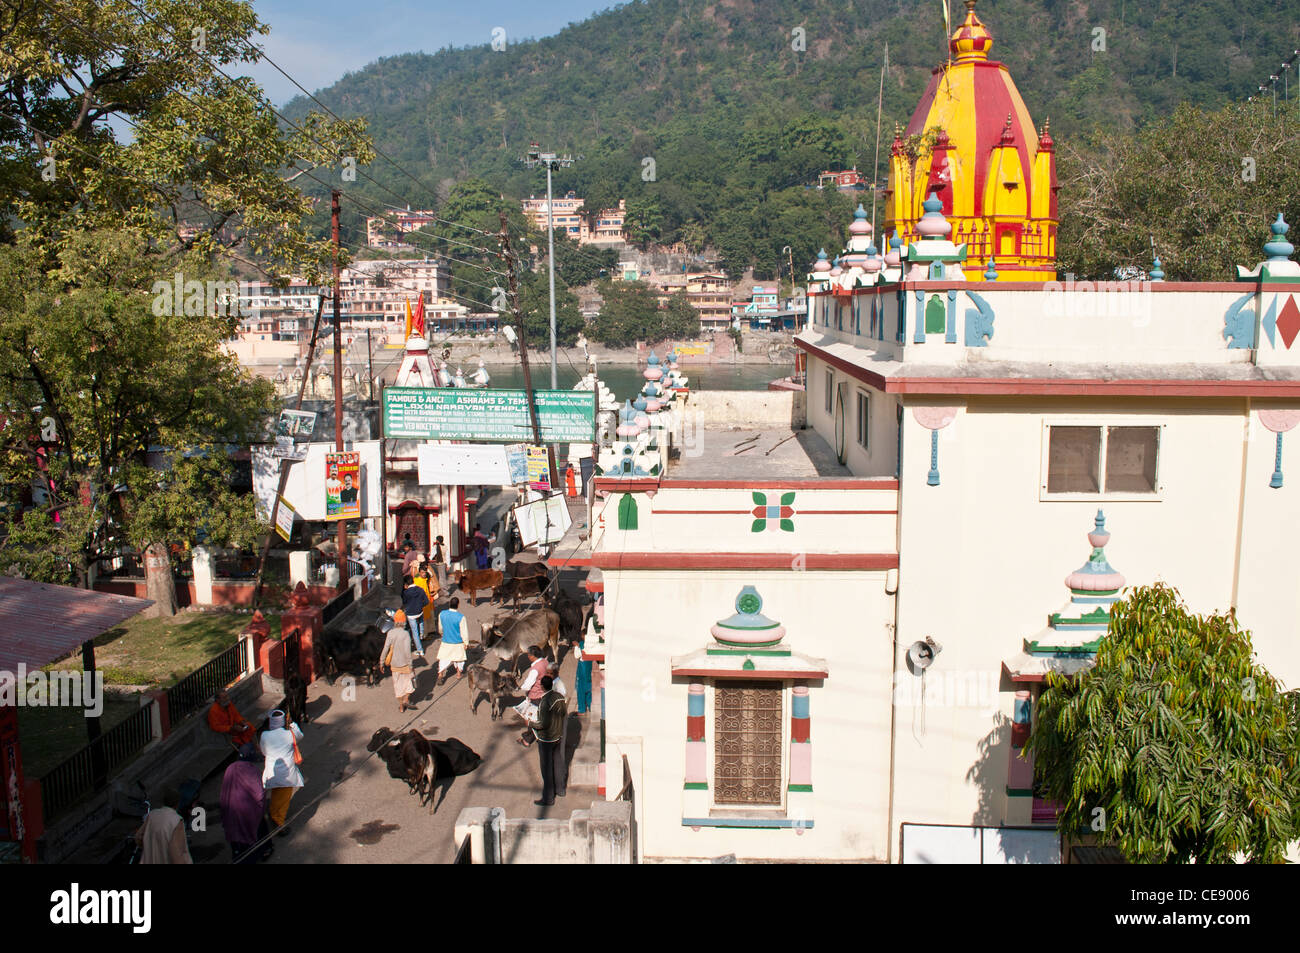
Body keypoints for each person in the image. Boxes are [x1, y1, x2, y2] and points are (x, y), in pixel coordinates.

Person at [220, 743, 272, 864]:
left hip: (231, 810)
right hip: (249, 814)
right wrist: (260, 807)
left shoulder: (230, 768)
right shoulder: (252, 770)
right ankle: (264, 851)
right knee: (255, 835)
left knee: (236, 840)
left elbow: (224, 790)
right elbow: (259, 793)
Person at [259, 710, 304, 830]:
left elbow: (263, 751)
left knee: (276, 794)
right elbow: (300, 735)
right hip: (287, 774)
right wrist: (292, 724)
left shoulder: (264, 735)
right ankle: (278, 822)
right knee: (283, 800)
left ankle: (273, 812)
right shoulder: (289, 734)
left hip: (271, 773)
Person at [527, 675, 568, 806]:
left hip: (546, 739)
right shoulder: (559, 697)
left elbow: (542, 724)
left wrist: (530, 723)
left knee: (547, 768)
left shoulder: (545, 702)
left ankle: (548, 797)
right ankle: (560, 789)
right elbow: (562, 714)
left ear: (542, 687)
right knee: (558, 763)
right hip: (558, 735)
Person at [135, 788, 193, 864]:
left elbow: (138, 837)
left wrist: (149, 846)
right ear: (177, 804)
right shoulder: (176, 820)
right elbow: (177, 851)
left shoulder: (152, 815)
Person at [513, 646, 550, 746]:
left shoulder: (535, 669)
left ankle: (527, 740)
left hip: (536, 697)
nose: (528, 657)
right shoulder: (545, 662)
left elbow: (528, 685)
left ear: (532, 656)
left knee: (529, 718)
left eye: (528, 655)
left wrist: (520, 687)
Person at [380, 611, 416, 712]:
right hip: (405, 665)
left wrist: (381, 662)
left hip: (394, 665)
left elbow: (385, 648)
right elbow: (408, 652)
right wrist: (411, 665)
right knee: (409, 684)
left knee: (398, 686)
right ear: (404, 621)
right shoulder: (405, 634)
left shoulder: (390, 633)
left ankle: (401, 706)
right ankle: (406, 699)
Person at [436, 596, 467, 684]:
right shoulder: (461, 617)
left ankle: (440, 675)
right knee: (459, 659)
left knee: (443, 660)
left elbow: (440, 627)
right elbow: (464, 632)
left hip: (446, 641)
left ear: (449, 604)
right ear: (458, 605)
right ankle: (458, 674)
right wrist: (466, 642)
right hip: (457, 642)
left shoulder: (442, 614)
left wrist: (442, 634)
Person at [401, 574, 428, 657]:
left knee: (414, 632)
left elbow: (404, 603)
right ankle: (422, 633)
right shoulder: (420, 590)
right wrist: (420, 605)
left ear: (406, 584)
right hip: (419, 611)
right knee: (420, 622)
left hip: (411, 614)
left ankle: (420, 650)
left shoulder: (406, 593)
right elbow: (426, 601)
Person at [415, 563, 438, 636]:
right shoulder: (417, 581)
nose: (424, 574)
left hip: (429, 600)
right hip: (422, 603)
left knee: (430, 616)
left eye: (425, 572)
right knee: (424, 620)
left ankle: (431, 630)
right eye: (422, 572)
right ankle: (424, 634)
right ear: (419, 573)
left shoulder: (427, 578)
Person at [574, 637, 593, 715]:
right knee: (590, 689)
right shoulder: (592, 643)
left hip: (582, 670)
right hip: (590, 668)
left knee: (581, 690)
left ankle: (582, 709)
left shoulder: (581, 644)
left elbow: (576, 656)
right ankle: (590, 706)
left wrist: (577, 646)